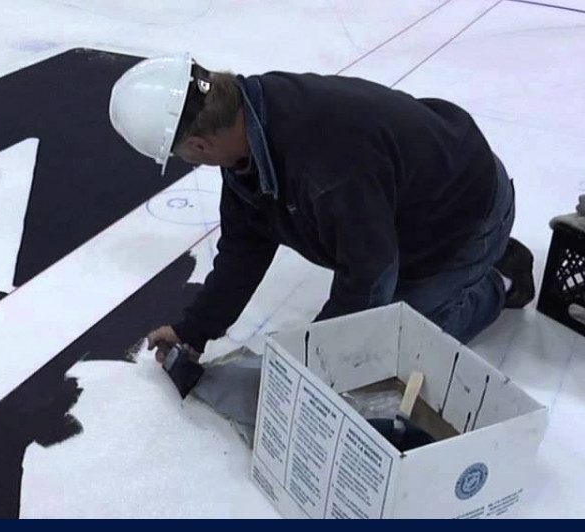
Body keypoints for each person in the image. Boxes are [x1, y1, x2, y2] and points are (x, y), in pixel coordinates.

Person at [107, 54, 534, 363]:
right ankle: (470, 264)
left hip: (467, 215)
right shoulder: (246, 124)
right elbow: (243, 252)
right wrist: (192, 331)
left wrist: (316, 363)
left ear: (200, 146)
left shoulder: (324, 162)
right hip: (417, 199)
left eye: (185, 155)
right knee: (365, 310)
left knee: (388, 354)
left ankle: (496, 278)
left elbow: (369, 274)